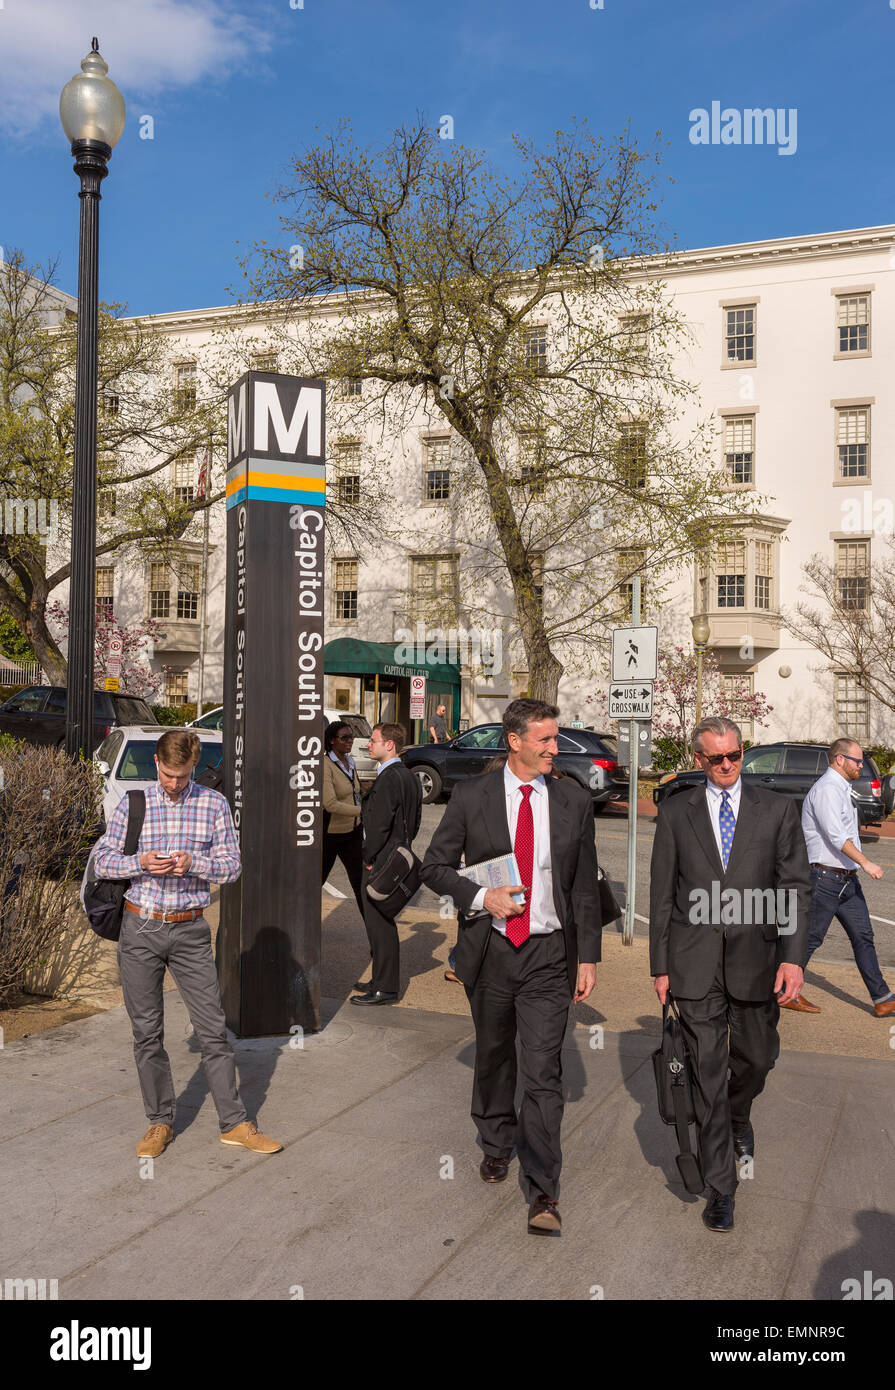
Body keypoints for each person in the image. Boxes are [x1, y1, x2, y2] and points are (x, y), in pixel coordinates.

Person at [421, 698, 600, 1236]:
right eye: (545, 740)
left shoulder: (572, 798)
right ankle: (496, 1140)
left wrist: (587, 954)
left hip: (549, 954)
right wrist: (481, 897)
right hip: (491, 951)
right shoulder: (473, 795)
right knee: (496, 1056)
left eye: (556, 737)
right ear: (514, 741)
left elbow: (584, 885)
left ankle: (544, 1190)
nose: (555, 748)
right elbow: (433, 866)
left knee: (544, 1074)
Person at [649, 716, 811, 1233]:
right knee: (708, 1077)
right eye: (716, 758)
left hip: (755, 961)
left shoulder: (779, 810)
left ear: (743, 753)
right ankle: (722, 1188)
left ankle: (741, 1116)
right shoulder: (676, 812)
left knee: (757, 1059)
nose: (726, 765)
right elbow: (661, 893)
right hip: (694, 965)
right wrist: (660, 964)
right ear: (699, 759)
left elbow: (794, 889)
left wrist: (792, 957)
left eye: (734, 755)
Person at [92, 730, 282, 1159]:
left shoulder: (213, 804)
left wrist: (192, 862)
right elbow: (102, 860)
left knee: (213, 1030)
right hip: (139, 927)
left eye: (183, 775)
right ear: (156, 762)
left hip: (191, 929)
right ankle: (159, 1121)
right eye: (168, 773)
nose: (174, 783)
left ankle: (234, 1124)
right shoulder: (134, 803)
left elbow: (232, 867)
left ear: (194, 767)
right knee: (147, 1032)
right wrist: (139, 861)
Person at [791, 737, 895, 1018]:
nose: (861, 765)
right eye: (857, 760)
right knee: (809, 939)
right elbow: (837, 837)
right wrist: (867, 863)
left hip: (846, 880)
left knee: (863, 936)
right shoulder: (827, 789)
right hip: (825, 878)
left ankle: (883, 998)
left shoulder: (841, 788)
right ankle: (784, 991)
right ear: (840, 759)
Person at [351, 721, 422, 1006]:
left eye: (373, 740)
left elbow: (379, 824)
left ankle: (385, 988)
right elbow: (413, 822)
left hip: (382, 861)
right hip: (395, 857)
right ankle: (380, 980)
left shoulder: (390, 777)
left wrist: (369, 857)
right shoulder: (408, 775)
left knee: (379, 924)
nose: (368, 744)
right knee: (382, 923)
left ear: (389, 744)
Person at [321, 720, 365, 918]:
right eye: (344, 737)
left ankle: (377, 942)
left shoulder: (350, 761)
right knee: (315, 884)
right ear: (331, 741)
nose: (350, 741)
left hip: (353, 833)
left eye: (351, 737)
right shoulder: (326, 765)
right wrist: (361, 812)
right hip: (331, 835)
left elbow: (355, 792)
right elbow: (329, 803)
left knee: (362, 886)